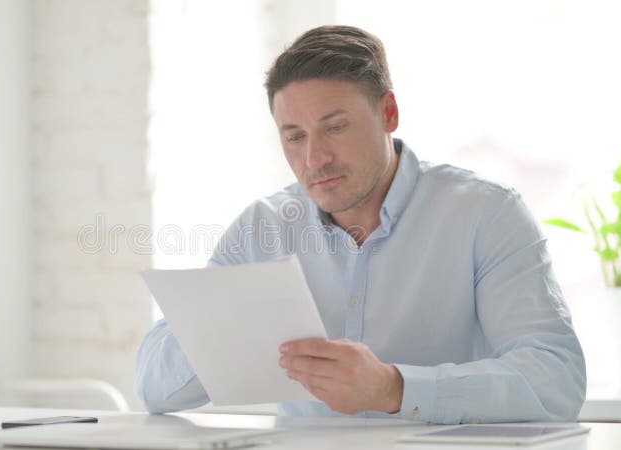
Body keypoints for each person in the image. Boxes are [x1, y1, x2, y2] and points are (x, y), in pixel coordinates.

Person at [134, 25, 586, 423]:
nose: (314, 158)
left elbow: (557, 380)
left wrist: (396, 389)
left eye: (335, 128)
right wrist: (220, 327)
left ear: (388, 113)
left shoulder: (487, 214)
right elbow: (154, 389)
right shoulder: (262, 228)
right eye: (295, 137)